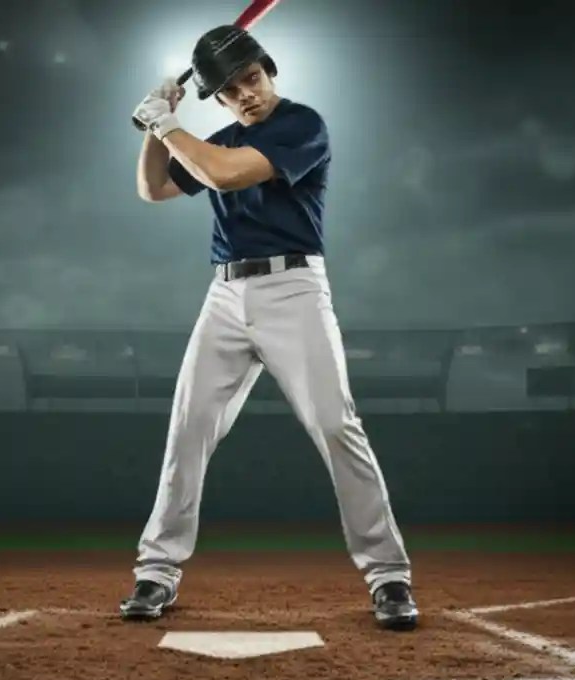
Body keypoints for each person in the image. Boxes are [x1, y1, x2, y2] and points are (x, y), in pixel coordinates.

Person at [121, 25, 418, 631]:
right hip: (225, 295)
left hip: (295, 290)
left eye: (252, 78)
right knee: (188, 429)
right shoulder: (216, 137)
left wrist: (167, 126)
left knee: (336, 424)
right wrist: (159, 124)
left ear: (269, 69)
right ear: (219, 99)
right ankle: (156, 572)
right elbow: (152, 188)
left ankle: (389, 575)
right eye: (229, 89)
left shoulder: (302, 125)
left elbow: (226, 173)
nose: (245, 94)